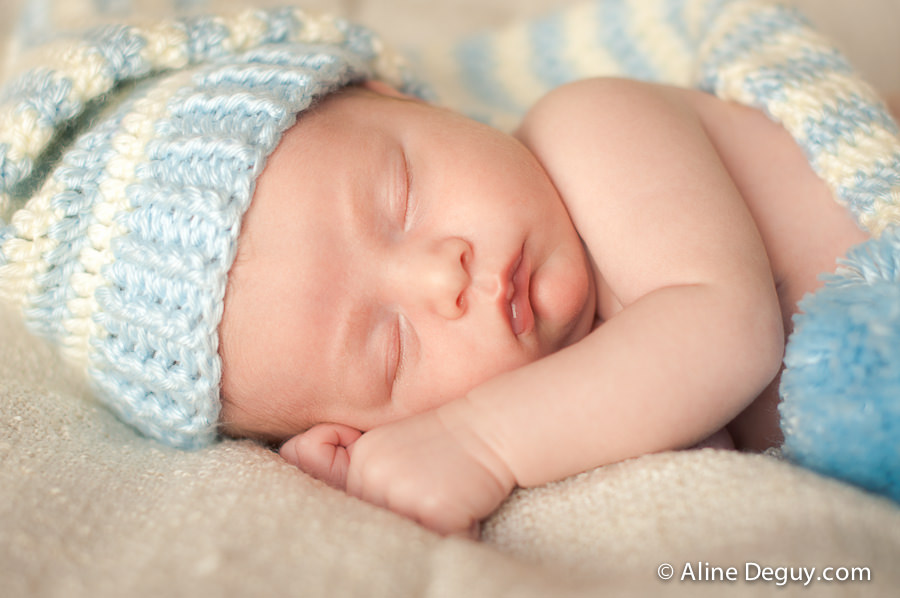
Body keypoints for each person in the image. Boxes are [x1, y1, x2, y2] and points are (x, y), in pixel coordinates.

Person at [215, 76, 891, 536]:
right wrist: (377, 478)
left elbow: (724, 329)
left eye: (401, 197)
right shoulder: (573, 389)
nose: (438, 277)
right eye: (392, 349)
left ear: (405, 100)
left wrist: (473, 440)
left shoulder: (590, 128)